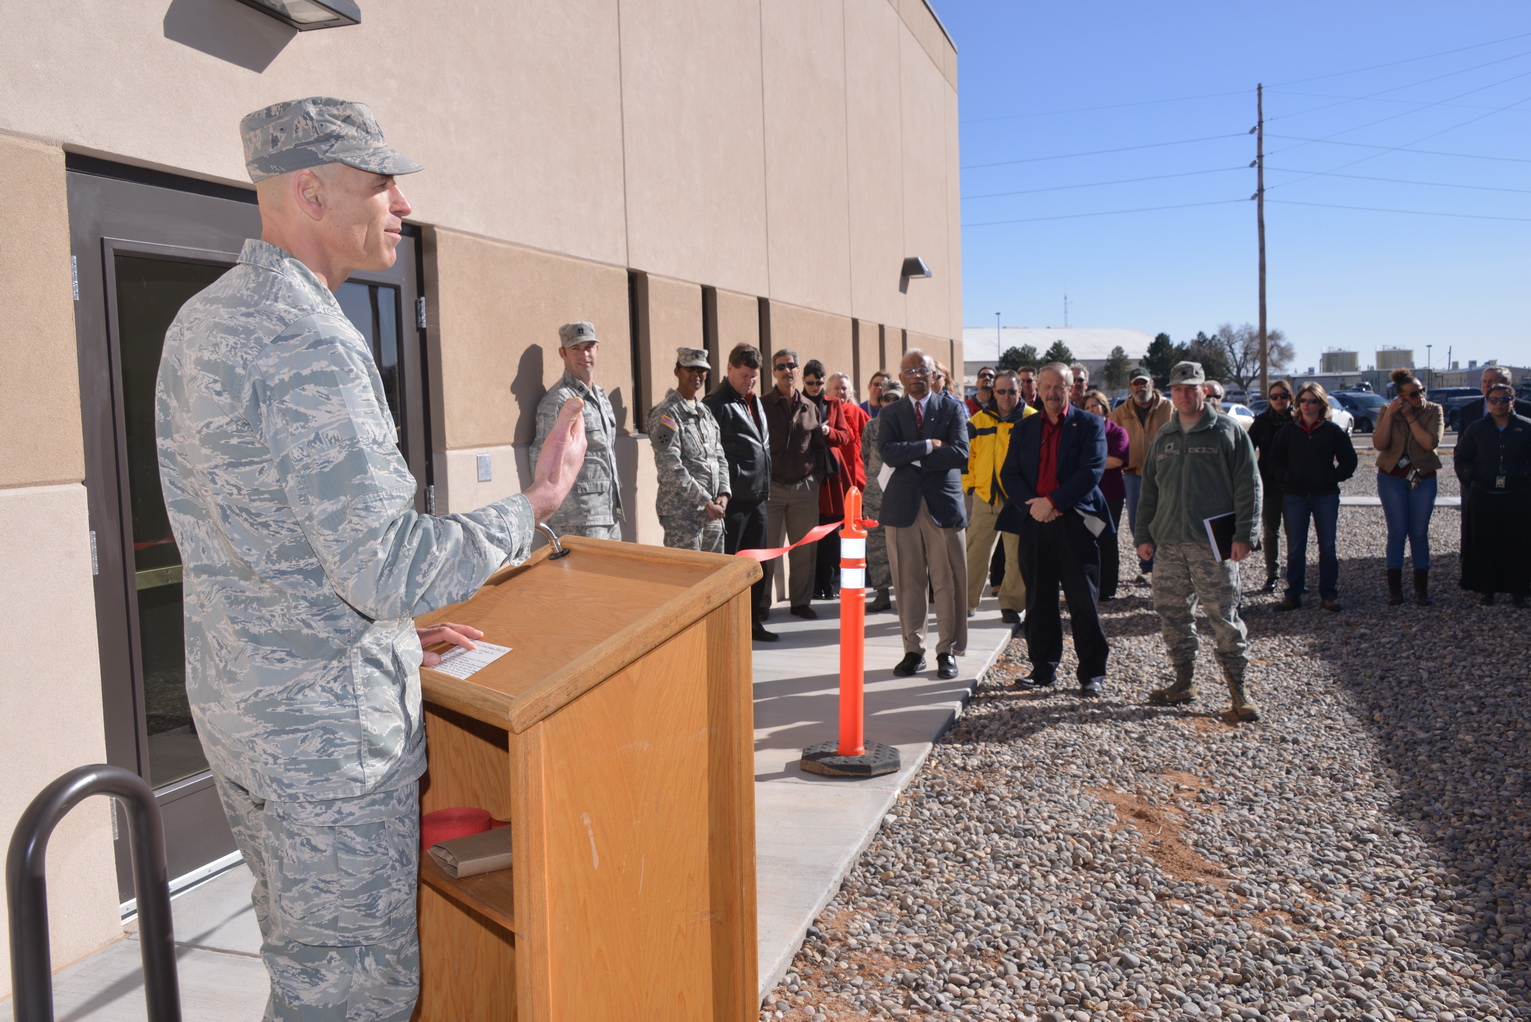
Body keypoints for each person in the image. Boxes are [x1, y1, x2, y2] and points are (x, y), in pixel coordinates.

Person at [154, 96, 589, 1021]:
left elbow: (255, 539)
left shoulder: (202, 321)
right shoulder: (309, 340)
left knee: (302, 971)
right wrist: (536, 505)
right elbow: (385, 567)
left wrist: (389, 642)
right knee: (351, 997)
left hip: (249, 719)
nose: (401, 203)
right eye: (381, 181)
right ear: (310, 191)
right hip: (325, 750)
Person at [1136, 361, 1262, 722]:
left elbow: (1248, 486)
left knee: (1224, 617)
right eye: (1178, 389)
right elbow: (1150, 490)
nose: (1185, 395)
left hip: (1212, 544)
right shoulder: (1164, 436)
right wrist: (1144, 535)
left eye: (1191, 388)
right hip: (1170, 545)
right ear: (1170, 393)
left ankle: (1240, 691)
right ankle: (1183, 682)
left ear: (1204, 390)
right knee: (1173, 615)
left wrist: (1244, 536)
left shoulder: (1227, 431)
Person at [998, 363, 1111, 696]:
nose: (1051, 393)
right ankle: (1043, 668)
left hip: (1074, 522)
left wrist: (1054, 502)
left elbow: (1091, 471)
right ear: (1036, 389)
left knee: (1083, 601)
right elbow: (1010, 474)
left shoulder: (1089, 424)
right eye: (1045, 387)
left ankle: (1092, 672)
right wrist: (1034, 504)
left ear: (1070, 388)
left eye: (1058, 387)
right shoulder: (1024, 428)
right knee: (1039, 600)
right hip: (1034, 522)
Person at [878, 349, 970, 679]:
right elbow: (887, 452)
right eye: (909, 370)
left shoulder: (952, 408)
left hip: (942, 506)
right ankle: (913, 650)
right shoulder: (890, 413)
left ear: (934, 375)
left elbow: (960, 453)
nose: (916, 375)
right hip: (903, 507)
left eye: (922, 369)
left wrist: (911, 456)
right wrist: (931, 445)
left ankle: (947, 650)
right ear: (900, 378)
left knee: (947, 582)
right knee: (908, 583)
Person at [704, 343, 777, 641]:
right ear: (729, 369)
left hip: (757, 496)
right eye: (744, 375)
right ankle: (728, 626)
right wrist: (722, 492)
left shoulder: (753, 401)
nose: (749, 381)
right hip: (733, 499)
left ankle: (751, 622)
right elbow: (712, 454)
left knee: (757, 564)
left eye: (754, 377)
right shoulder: (716, 404)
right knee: (731, 564)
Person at [1269, 382, 1358, 613]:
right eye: (1304, 400)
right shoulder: (1288, 431)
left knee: (1327, 546)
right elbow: (1274, 460)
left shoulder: (1332, 431)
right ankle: (1293, 594)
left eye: (1313, 401)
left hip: (1325, 496)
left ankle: (1328, 595)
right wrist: (1287, 476)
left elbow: (1350, 461)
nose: (1307, 405)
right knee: (1296, 546)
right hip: (1295, 496)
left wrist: (1331, 478)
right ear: (1298, 403)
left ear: (1321, 404)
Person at [530, 320, 622, 540]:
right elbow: (541, 459)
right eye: (576, 349)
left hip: (608, 512)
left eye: (589, 347)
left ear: (597, 350)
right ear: (563, 353)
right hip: (577, 517)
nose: (584, 354)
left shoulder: (600, 397)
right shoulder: (559, 400)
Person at [963, 370, 1035, 624]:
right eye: (1001, 391)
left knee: (1016, 556)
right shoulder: (978, 420)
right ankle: (966, 602)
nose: (1006, 396)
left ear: (1021, 391)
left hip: (1018, 500)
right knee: (975, 553)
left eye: (1012, 391)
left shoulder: (1032, 420)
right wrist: (969, 487)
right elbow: (967, 457)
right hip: (985, 498)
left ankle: (1012, 605)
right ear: (993, 392)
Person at [762, 348, 826, 619]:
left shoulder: (810, 408)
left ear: (799, 371)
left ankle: (800, 602)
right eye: (780, 367)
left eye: (791, 365)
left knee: (804, 549)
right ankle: (761, 604)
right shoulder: (762, 405)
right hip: (772, 489)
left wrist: (815, 480)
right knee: (768, 550)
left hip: (804, 488)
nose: (787, 370)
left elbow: (819, 449)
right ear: (774, 372)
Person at [646, 346, 730, 552]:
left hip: (713, 514)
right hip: (682, 517)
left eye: (701, 370)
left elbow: (719, 457)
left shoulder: (705, 412)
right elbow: (670, 468)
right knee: (686, 579)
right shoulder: (667, 413)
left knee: (713, 579)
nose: (696, 374)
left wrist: (724, 494)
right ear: (677, 371)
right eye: (689, 368)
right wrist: (705, 501)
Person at [1455, 383, 1531, 607]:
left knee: (1518, 544)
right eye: (1494, 400)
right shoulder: (1476, 428)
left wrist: (1525, 474)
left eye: (1504, 399)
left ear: (1512, 401)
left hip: (1517, 495)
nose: (1499, 404)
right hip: (1484, 494)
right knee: (1485, 543)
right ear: (1487, 402)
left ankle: (1519, 591)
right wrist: (1474, 476)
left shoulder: (1526, 427)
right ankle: (1486, 590)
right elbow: (1461, 458)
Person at [1373, 367, 1443, 606]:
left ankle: (1421, 591)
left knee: (1419, 533)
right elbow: (1379, 443)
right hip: (1392, 476)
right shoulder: (1386, 411)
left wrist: (1412, 418)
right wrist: (1391, 415)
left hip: (1423, 476)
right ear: (1400, 397)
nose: (1420, 397)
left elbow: (1429, 443)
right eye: (1413, 394)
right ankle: (1395, 591)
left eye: (1422, 391)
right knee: (1397, 532)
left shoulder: (1434, 411)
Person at [1108, 369, 1173, 583]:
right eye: (1136, 383)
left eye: (1144, 383)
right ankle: (1147, 567)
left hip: (1163, 473)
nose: (1140, 387)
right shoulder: (1119, 412)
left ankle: (1165, 565)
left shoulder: (1168, 407)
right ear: (1130, 387)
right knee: (1138, 522)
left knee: (1165, 518)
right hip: (1133, 475)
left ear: (1152, 383)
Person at [815, 373, 869, 599]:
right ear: (828, 392)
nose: (841, 392)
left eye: (845, 388)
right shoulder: (824, 412)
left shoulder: (858, 414)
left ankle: (853, 582)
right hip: (835, 485)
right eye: (836, 388)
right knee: (832, 537)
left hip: (858, 485)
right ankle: (829, 584)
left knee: (855, 539)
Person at [1247, 379, 1297, 592]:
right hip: (1269, 482)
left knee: (1294, 531)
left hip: (1295, 484)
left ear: (1290, 397)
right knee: (1271, 530)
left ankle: (1295, 576)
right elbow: (1248, 449)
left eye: (1283, 396)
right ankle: (1272, 575)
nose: (1279, 400)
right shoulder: (1262, 421)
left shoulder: (1298, 419)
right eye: (1274, 396)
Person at [1081, 389, 1130, 601]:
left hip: (1111, 494)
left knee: (1107, 539)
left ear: (1104, 406)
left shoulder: (1117, 432)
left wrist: (1087, 464)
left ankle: (1107, 588)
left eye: (1095, 405)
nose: (1092, 410)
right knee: (1086, 539)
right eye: (1087, 407)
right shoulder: (1081, 432)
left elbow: (1117, 461)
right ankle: (1088, 585)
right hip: (1084, 494)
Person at [861, 378, 903, 611]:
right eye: (888, 398)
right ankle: (881, 593)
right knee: (876, 546)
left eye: (896, 399)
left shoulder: (909, 426)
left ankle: (906, 593)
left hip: (902, 493)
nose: (892, 403)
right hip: (876, 495)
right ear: (881, 401)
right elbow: (866, 456)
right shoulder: (872, 426)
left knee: (905, 546)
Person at [1457, 365, 1513, 435]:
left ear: (1506, 383)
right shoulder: (1467, 411)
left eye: (1491, 381)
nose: (1486, 385)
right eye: (1484, 381)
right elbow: (1462, 443)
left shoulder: (1526, 409)